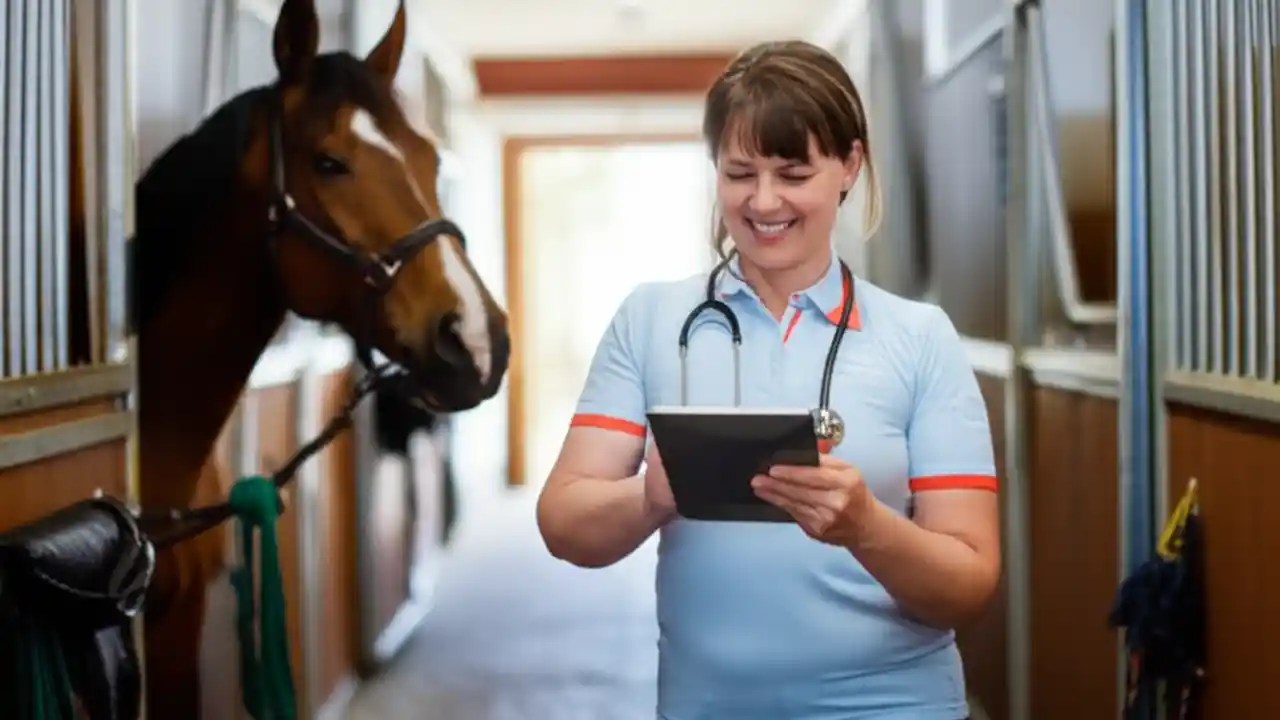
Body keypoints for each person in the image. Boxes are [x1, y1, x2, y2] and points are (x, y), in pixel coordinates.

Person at [535, 39, 1000, 720]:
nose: (763, 200)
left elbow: (970, 582)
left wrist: (867, 526)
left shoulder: (920, 338)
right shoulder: (651, 320)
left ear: (849, 166)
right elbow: (563, 522)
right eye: (739, 172)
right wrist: (649, 498)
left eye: (792, 172)